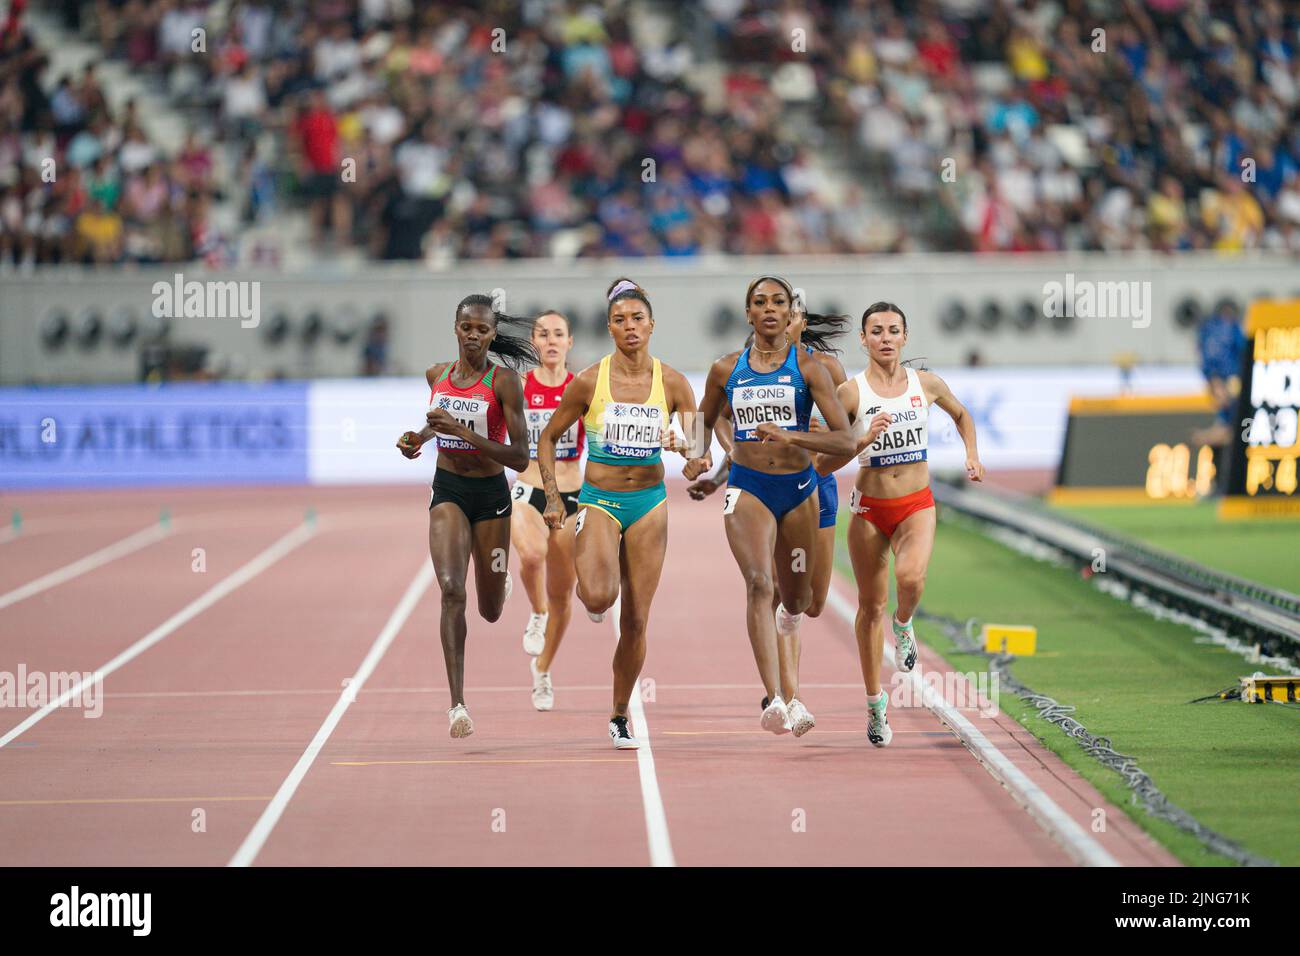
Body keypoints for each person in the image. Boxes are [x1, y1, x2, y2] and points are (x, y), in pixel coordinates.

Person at [536, 278, 707, 750]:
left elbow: (699, 458)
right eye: (619, 320)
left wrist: (685, 449)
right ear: (609, 327)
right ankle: (593, 585)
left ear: (652, 325)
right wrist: (553, 497)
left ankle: (618, 714)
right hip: (599, 499)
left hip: (649, 504)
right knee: (596, 597)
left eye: (637, 319)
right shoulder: (590, 380)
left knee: (635, 620)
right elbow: (548, 437)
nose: (629, 327)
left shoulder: (673, 383)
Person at [691, 276, 857, 737]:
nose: (768, 309)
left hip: (800, 488)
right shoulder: (726, 369)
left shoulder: (810, 370)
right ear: (748, 314)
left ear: (790, 314)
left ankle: (788, 631)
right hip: (748, 487)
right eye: (759, 302)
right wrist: (695, 457)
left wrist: (791, 435)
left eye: (777, 302)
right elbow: (701, 420)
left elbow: (844, 439)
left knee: (799, 600)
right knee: (759, 583)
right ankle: (777, 698)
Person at [816, 302, 984, 747]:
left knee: (910, 576)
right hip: (870, 509)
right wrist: (859, 440)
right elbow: (820, 461)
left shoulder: (925, 384)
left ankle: (905, 624)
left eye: (893, 330)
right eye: (876, 331)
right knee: (869, 606)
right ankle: (875, 705)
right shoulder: (850, 394)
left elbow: (962, 414)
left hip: (916, 504)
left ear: (905, 337)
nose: (885, 338)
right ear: (864, 340)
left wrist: (971, 453)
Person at [396, 294, 534, 739]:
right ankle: (457, 704)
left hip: (492, 495)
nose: (473, 336)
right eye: (466, 328)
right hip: (449, 490)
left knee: (490, 609)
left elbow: (519, 457)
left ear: (493, 334)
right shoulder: (437, 375)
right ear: (455, 328)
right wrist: (416, 439)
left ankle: (499, 578)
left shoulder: (504, 381)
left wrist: (461, 433)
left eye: (482, 330)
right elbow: (437, 425)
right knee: (452, 590)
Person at [510, 310, 583, 711]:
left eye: (559, 334)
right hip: (528, 488)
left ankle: (543, 669)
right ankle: (535, 612)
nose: (551, 340)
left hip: (571, 496)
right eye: (543, 334)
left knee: (563, 597)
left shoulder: (582, 388)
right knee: (532, 554)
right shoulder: (519, 386)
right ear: (533, 343)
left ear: (570, 342)